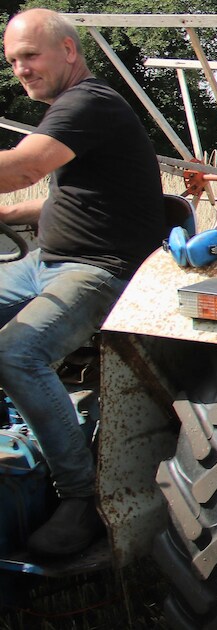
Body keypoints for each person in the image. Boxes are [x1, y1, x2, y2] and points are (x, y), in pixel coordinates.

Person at [0, 8, 165, 556]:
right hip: (46, 260)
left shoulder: (88, 102)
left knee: (16, 353)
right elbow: (68, 199)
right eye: (13, 61)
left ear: (68, 51)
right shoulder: (70, 113)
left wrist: (19, 190)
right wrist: (9, 214)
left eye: (30, 56)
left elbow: (26, 166)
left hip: (101, 270)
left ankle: (80, 497)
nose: (21, 69)